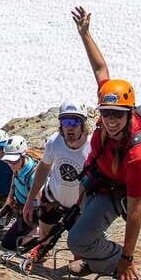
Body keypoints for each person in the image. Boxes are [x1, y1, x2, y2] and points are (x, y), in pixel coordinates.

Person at [68, 6, 141, 280]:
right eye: (106, 114)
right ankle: (91, 257)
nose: (111, 120)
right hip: (98, 180)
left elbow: (136, 210)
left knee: (78, 239)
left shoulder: (137, 154)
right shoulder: (110, 107)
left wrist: (127, 257)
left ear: (129, 113)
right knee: (81, 232)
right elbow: (100, 69)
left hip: (114, 191)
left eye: (117, 115)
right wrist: (85, 34)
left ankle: (114, 261)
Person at [23, 101, 92, 245]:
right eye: (66, 121)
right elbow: (43, 169)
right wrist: (30, 201)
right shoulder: (54, 142)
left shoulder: (92, 147)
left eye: (74, 121)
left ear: (83, 124)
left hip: (78, 207)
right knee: (44, 236)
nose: (70, 127)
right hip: (53, 199)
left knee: (78, 244)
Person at [0, 136, 39, 251]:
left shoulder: (34, 175)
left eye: (13, 161)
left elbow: (43, 203)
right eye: (8, 161)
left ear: (23, 155)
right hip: (23, 212)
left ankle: (43, 237)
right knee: (7, 243)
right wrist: (10, 199)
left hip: (36, 214)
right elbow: (14, 179)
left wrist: (42, 227)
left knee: (19, 243)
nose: (11, 165)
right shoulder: (17, 166)